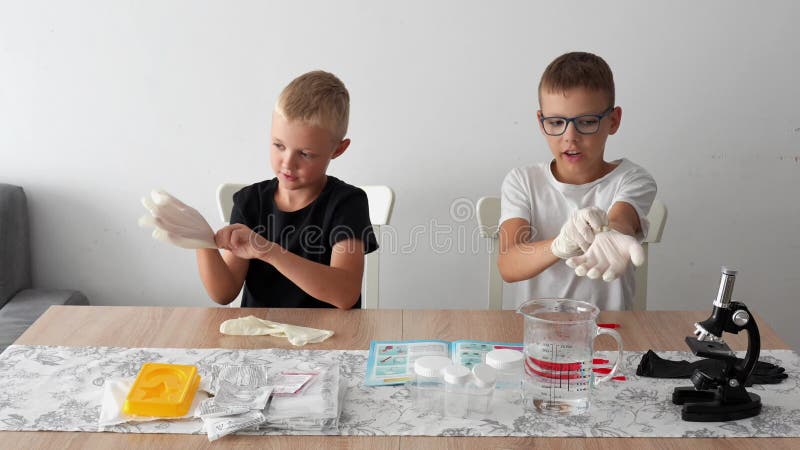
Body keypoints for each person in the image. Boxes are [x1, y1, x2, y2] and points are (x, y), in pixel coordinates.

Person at [196, 70, 378, 309]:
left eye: (305, 154)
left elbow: (345, 295)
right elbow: (223, 293)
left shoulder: (347, 203)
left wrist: (268, 251)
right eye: (278, 145)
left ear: (338, 149)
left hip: (329, 339)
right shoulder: (250, 202)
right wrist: (198, 238)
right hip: (261, 338)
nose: (288, 163)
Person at [497, 52, 657, 310]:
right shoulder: (523, 181)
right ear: (541, 122)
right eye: (557, 122)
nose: (570, 137)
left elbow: (622, 218)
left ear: (613, 120)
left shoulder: (632, 179)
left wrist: (611, 232)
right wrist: (560, 246)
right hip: (538, 334)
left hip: (608, 334)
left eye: (587, 122)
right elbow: (508, 263)